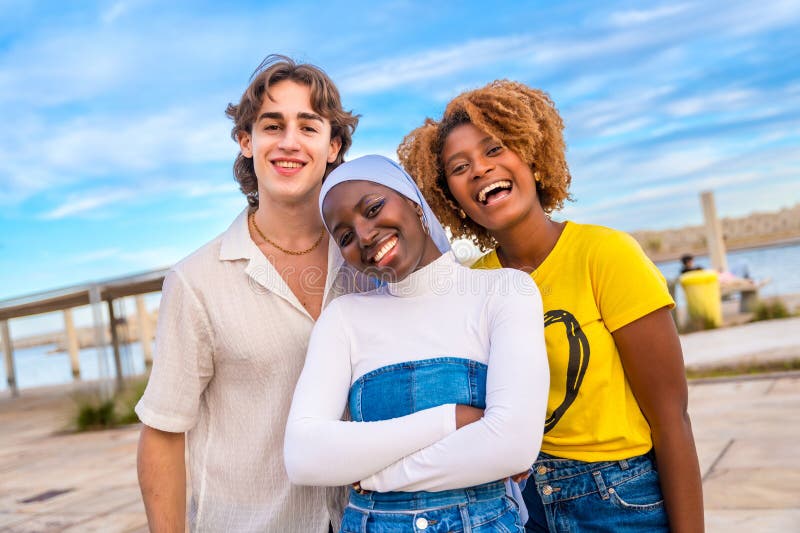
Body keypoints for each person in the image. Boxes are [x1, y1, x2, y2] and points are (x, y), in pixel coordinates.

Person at [399, 80, 704, 532]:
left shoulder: (606, 254)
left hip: (618, 500)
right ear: (452, 201)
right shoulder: (469, 285)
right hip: (518, 506)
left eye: (495, 149)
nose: (480, 169)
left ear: (532, 158)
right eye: (459, 167)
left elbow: (671, 418)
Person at [135, 55, 360, 532]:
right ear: (246, 142)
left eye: (308, 127)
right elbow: (162, 434)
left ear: (334, 146)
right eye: (272, 126)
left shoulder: (369, 266)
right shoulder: (195, 282)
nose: (289, 143)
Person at [284, 155, 550, 532]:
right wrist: (451, 419)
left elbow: (514, 446)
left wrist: (382, 477)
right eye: (344, 236)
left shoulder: (503, 291)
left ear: (413, 202)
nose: (364, 235)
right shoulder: (343, 318)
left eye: (373, 208)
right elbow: (303, 456)